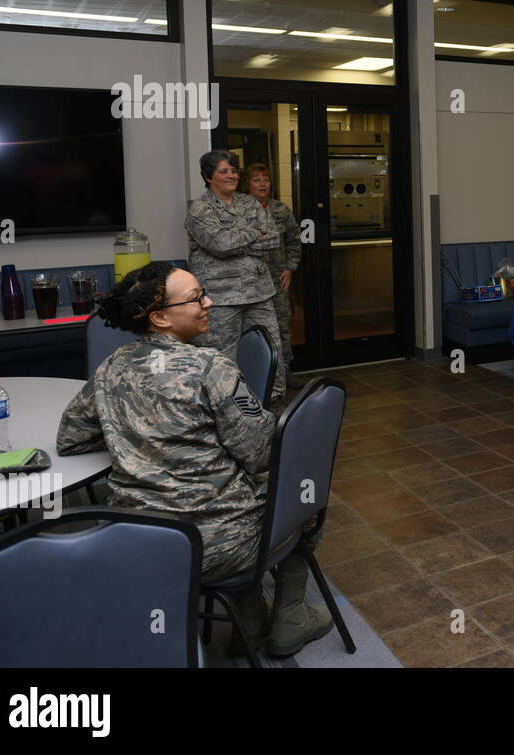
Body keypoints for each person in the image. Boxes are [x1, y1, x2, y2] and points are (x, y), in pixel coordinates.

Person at [56, 262, 332, 656]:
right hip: (215, 547)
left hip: (137, 543)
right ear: (160, 317)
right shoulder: (211, 367)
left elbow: (70, 438)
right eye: (197, 297)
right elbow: (259, 454)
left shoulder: (111, 368)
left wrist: (135, 435)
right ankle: (291, 618)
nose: (209, 301)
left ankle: (249, 620)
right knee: (304, 491)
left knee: (256, 497)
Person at [186, 150, 284, 402]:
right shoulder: (199, 209)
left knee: (269, 350)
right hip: (221, 297)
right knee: (221, 358)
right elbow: (219, 244)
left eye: (233, 170)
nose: (231, 175)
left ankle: (267, 400)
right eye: (223, 171)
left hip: (259, 291)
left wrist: (239, 240)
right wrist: (255, 233)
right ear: (209, 177)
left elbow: (273, 237)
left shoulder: (249, 202)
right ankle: (226, 405)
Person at [242, 163, 304, 389]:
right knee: (251, 326)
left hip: (278, 280)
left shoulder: (280, 210)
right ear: (247, 184)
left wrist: (290, 268)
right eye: (256, 179)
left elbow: (294, 241)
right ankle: (254, 374)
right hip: (249, 280)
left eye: (266, 179)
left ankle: (284, 371)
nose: (262, 184)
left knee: (281, 325)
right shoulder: (239, 209)